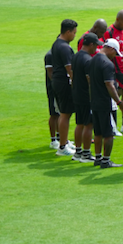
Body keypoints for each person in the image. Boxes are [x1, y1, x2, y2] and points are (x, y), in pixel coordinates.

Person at [88, 38, 123, 168]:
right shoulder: (107, 64)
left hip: (94, 101)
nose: (115, 56)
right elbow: (110, 85)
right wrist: (119, 102)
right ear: (111, 49)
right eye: (115, 53)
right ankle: (106, 160)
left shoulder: (93, 60)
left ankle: (98, 158)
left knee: (98, 132)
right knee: (109, 133)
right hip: (105, 103)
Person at [70, 33, 100, 164]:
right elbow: (89, 80)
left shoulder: (76, 56)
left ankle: (78, 152)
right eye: (96, 46)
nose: (96, 49)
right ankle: (86, 154)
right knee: (89, 124)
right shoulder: (88, 60)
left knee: (80, 123)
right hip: (86, 96)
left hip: (76, 94)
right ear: (91, 44)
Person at [50, 19, 78, 157]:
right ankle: (62, 147)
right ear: (68, 32)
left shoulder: (57, 43)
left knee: (64, 113)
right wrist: (76, 85)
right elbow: (70, 69)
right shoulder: (65, 47)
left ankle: (64, 141)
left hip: (57, 81)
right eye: (73, 33)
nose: (74, 35)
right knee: (65, 114)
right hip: (63, 82)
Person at [104, 10, 123, 132]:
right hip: (116, 70)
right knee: (115, 97)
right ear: (117, 20)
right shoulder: (109, 32)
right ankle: (112, 125)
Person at [45, 47, 61, 150]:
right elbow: (50, 73)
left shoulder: (60, 53)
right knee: (54, 114)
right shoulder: (50, 55)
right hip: (53, 88)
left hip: (60, 87)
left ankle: (60, 138)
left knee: (61, 113)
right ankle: (53, 140)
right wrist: (56, 86)